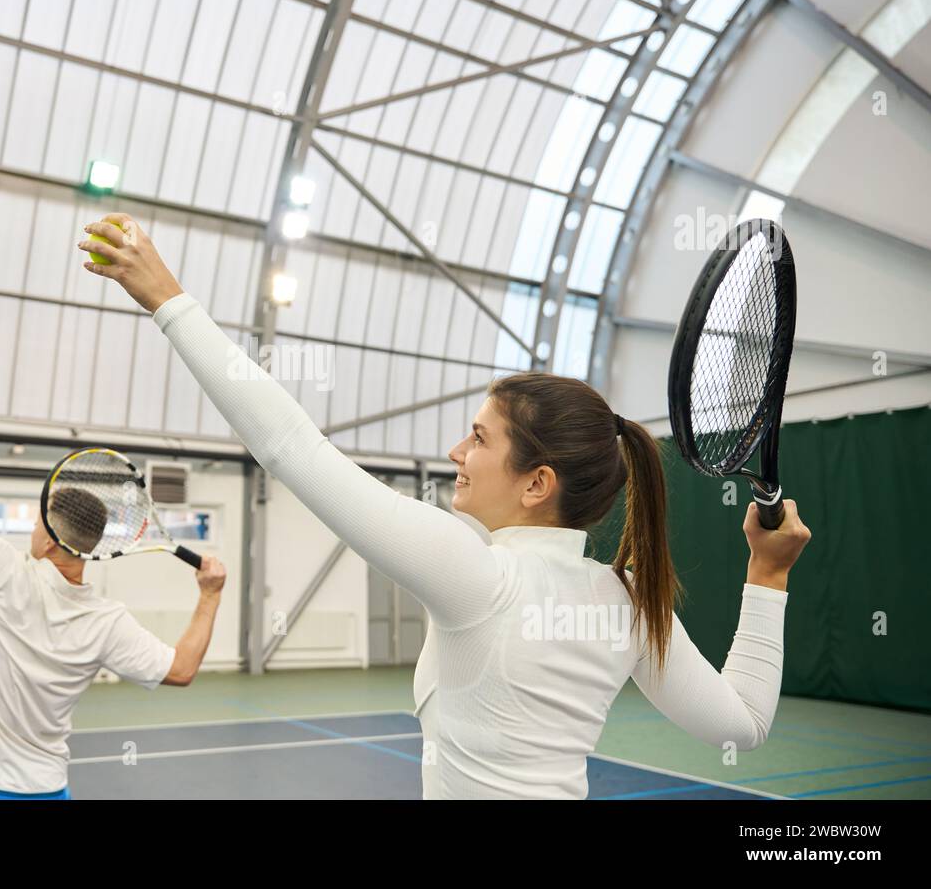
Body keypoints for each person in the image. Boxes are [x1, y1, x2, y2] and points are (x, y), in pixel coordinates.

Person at [79, 214, 812, 800]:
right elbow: (742, 723)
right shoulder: (621, 600)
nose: (458, 453)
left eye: (479, 438)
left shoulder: (479, 576)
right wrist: (767, 578)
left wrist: (168, 301)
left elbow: (291, 447)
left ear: (537, 483)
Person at [0, 369, 227, 800]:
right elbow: (181, 670)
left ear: (48, 538)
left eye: (35, 523)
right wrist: (210, 595)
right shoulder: (106, 621)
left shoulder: (2, 574)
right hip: (46, 790)